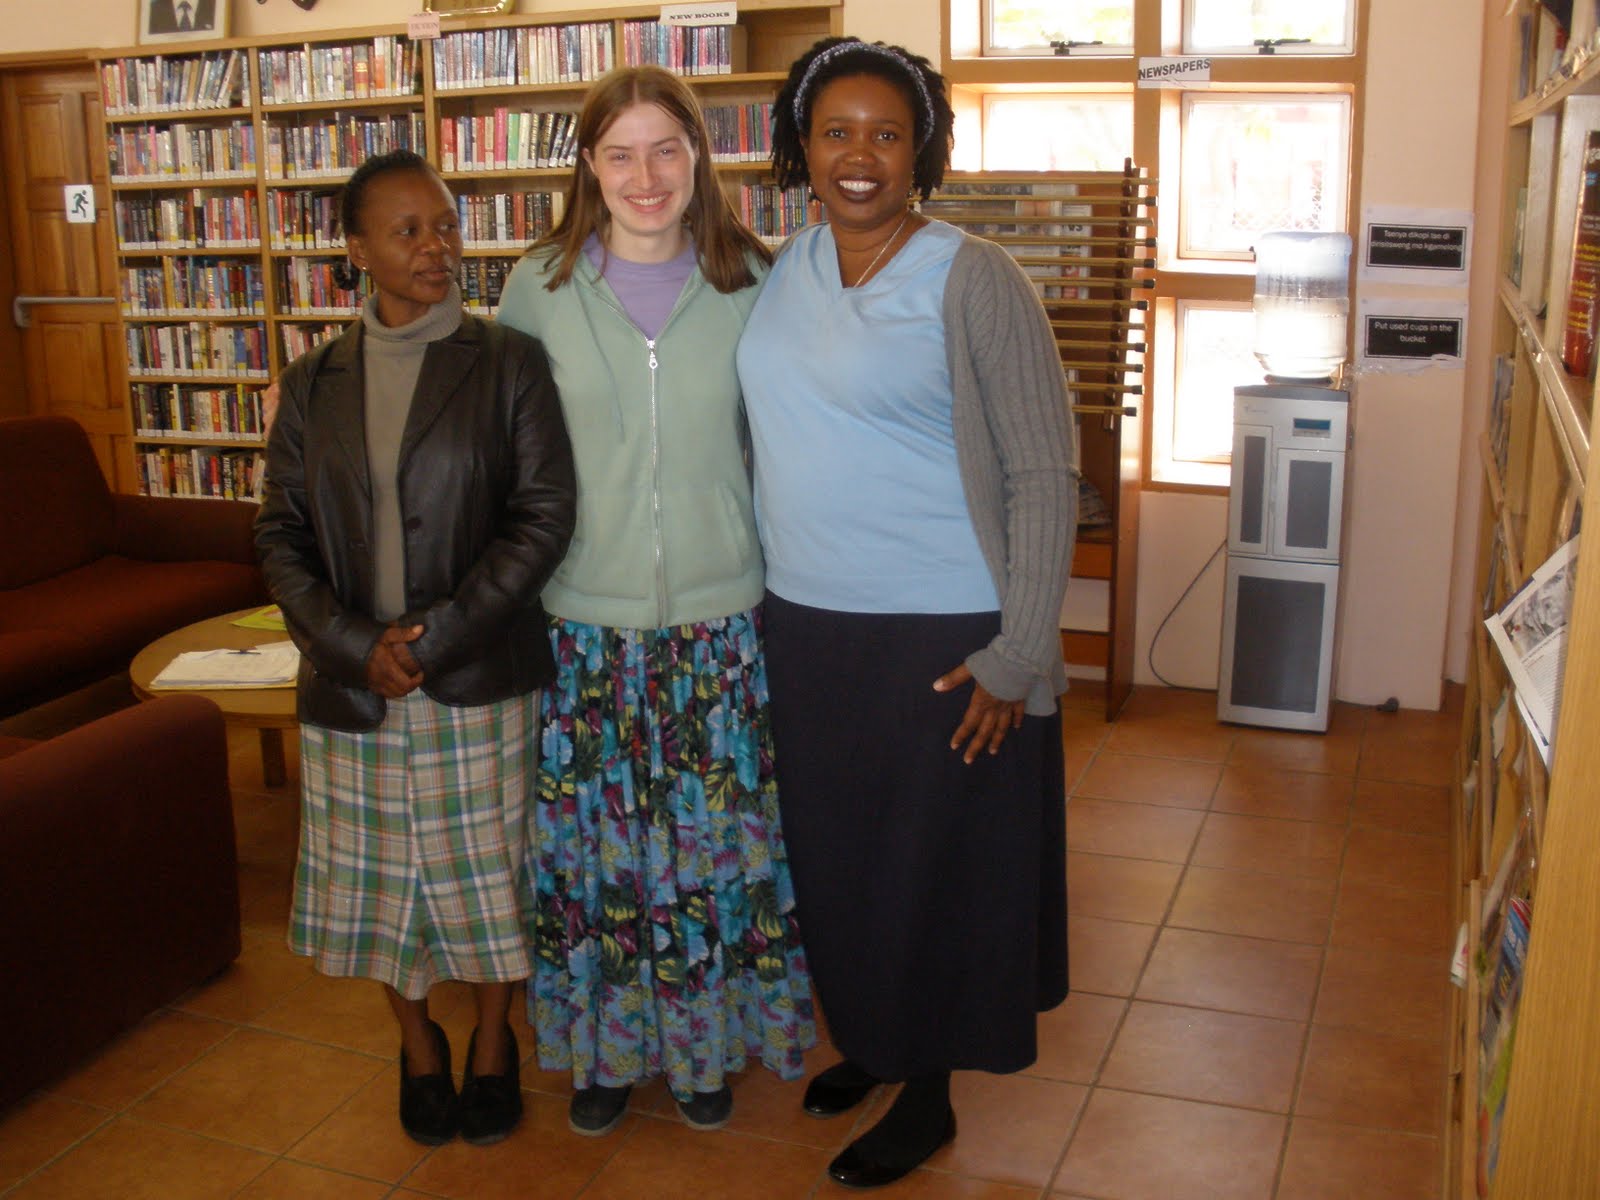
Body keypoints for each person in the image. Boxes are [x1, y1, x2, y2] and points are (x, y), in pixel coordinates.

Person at [736, 37, 1077, 1189]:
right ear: (800, 147)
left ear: (922, 148)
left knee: (929, 873)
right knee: (840, 865)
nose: (860, 156)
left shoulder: (973, 276)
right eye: (836, 132)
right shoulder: (784, 268)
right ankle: (875, 1045)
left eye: (887, 133)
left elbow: (1043, 475)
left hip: (945, 636)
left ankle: (925, 1091)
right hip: (809, 628)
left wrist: (1018, 653)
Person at [494, 66, 816, 1137]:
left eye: (665, 150)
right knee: (599, 858)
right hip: (583, 624)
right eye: (620, 153)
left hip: (720, 627)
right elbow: (503, 455)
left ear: (697, 159)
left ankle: (703, 1051)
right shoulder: (535, 287)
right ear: (587, 165)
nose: (645, 176)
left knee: (711, 851)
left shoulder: (754, 281)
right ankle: (602, 1054)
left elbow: (788, 448)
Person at [254, 149, 576, 1148]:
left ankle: (490, 1040)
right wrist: (358, 646)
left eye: (445, 223)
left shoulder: (507, 362)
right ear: (356, 253)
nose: (438, 245)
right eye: (409, 231)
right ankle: (417, 1046)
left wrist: (433, 638)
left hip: (475, 676)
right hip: (356, 691)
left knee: (489, 880)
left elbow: (542, 516)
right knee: (378, 889)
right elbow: (280, 535)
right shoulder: (313, 382)